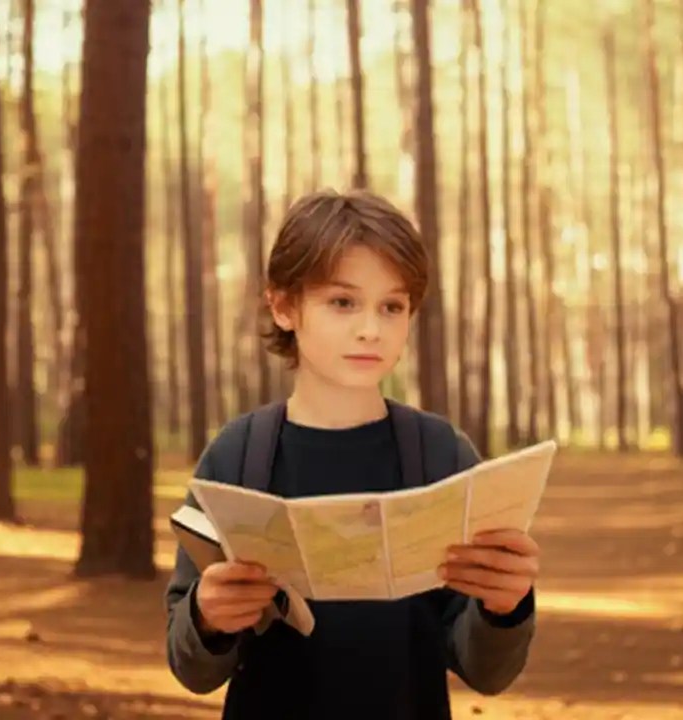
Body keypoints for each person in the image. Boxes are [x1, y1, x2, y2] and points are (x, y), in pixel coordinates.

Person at [164, 189, 539, 719]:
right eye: (342, 302)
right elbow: (192, 670)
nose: (371, 328)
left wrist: (505, 606)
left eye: (392, 306)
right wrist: (206, 616)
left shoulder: (441, 456)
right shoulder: (238, 457)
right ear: (284, 306)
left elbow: (487, 671)